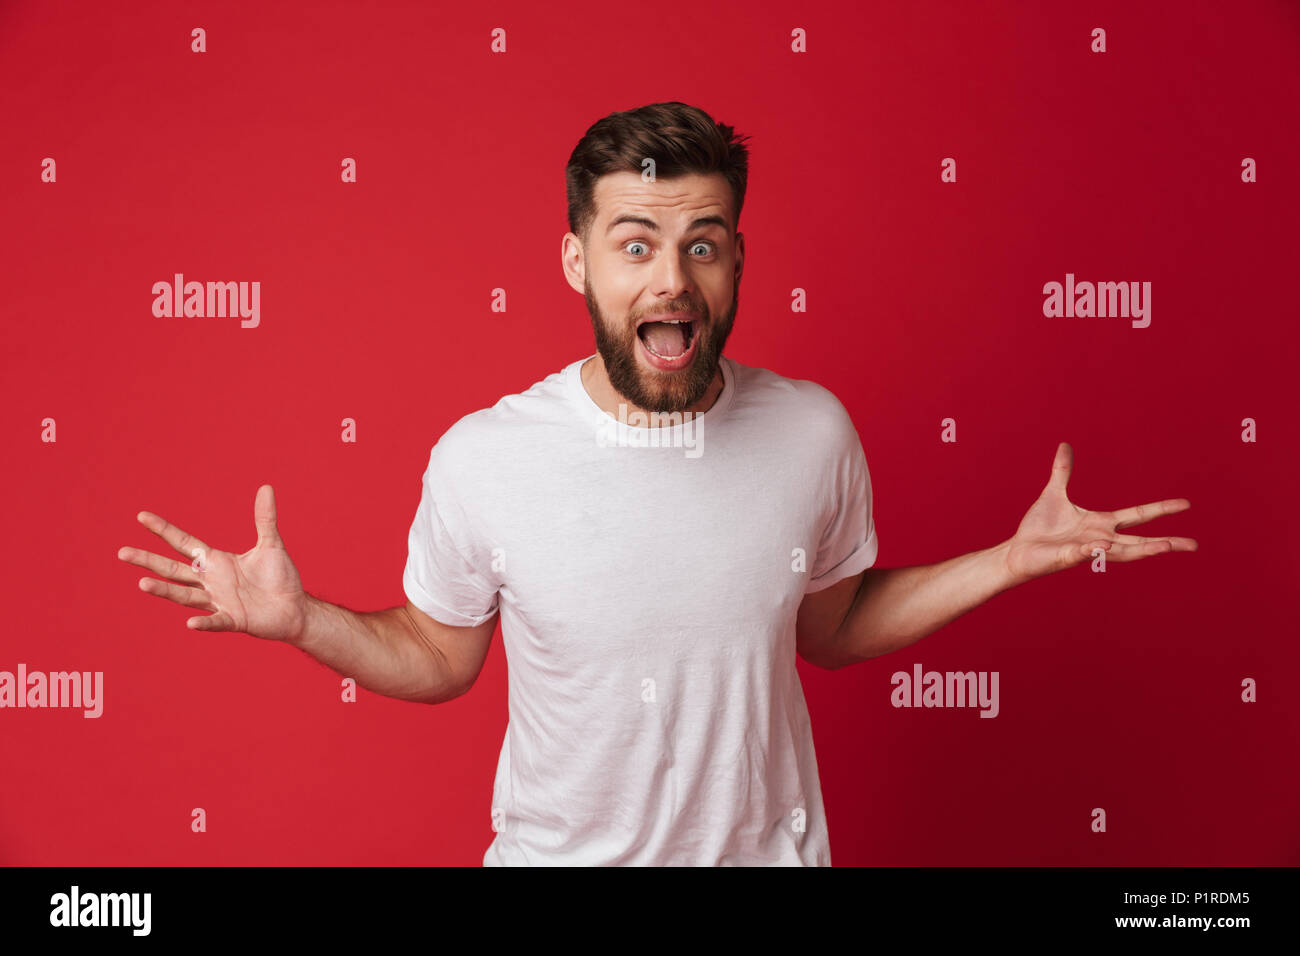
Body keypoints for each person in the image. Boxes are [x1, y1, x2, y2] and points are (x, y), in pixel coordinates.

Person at [117, 101, 1197, 866]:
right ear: (578, 262)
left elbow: (830, 626)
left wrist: (1005, 561)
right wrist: (304, 620)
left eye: (702, 244)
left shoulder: (812, 431)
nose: (671, 277)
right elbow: (439, 656)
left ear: (736, 259)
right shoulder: (484, 456)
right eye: (635, 245)